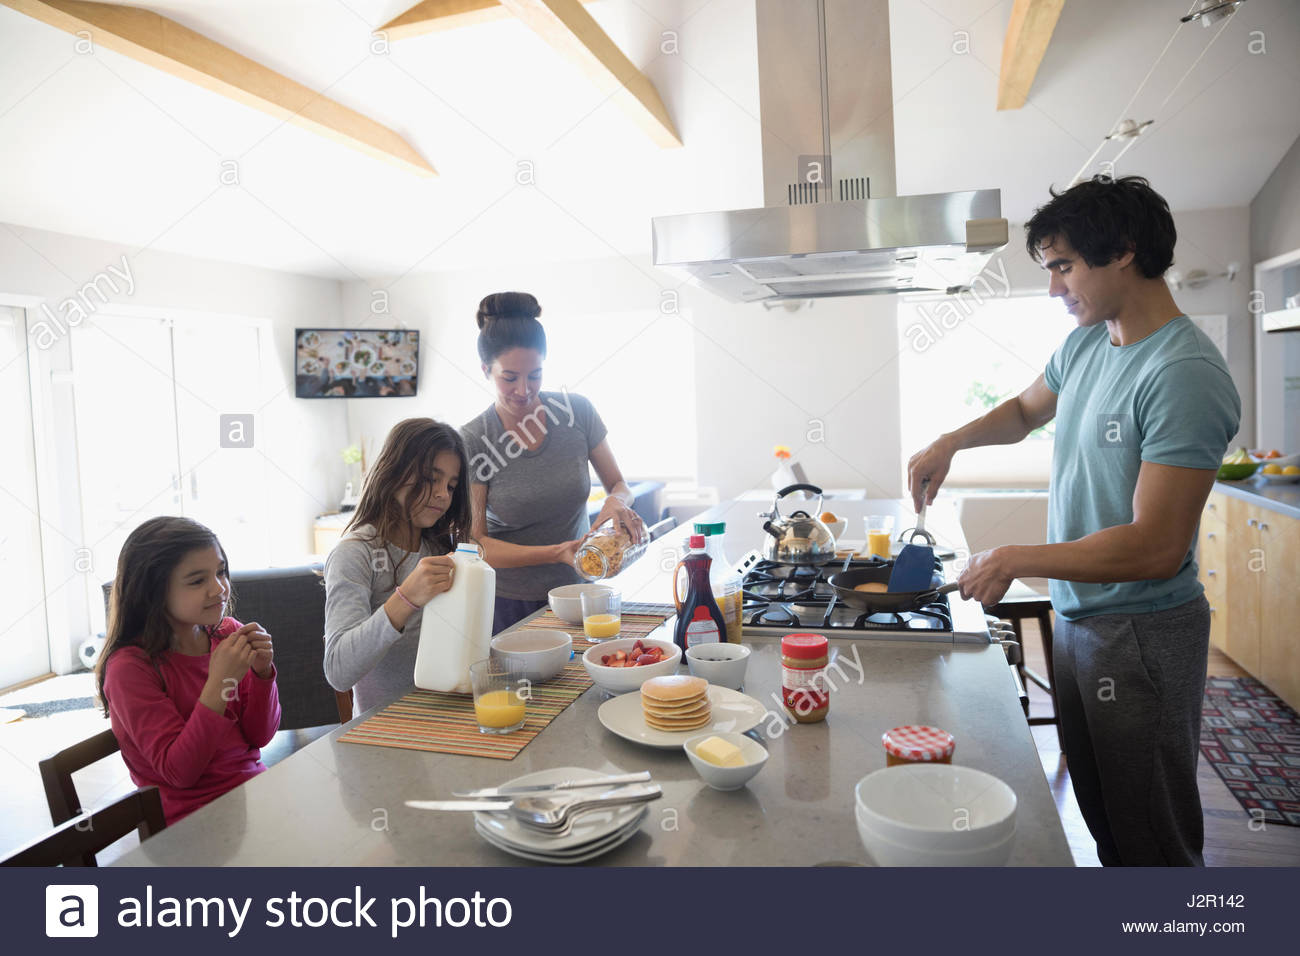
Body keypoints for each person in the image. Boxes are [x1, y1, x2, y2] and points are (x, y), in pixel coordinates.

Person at [907, 175, 1240, 866]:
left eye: (1063, 266)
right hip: (1082, 620)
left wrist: (1013, 558)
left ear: (1122, 250)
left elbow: (1154, 547)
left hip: (1142, 632)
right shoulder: (1091, 342)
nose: (1054, 288)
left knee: (1153, 838)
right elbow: (1027, 410)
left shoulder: (1184, 373)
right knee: (1107, 819)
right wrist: (950, 441)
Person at [459, 291, 647, 634]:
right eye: (510, 377)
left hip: (581, 590)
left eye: (535, 375)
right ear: (486, 370)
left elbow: (620, 485)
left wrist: (614, 502)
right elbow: (477, 545)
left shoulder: (576, 412)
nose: (524, 390)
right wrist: (556, 552)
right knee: (523, 688)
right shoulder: (473, 439)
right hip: (509, 602)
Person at [96, 516, 280, 824]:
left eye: (221, 572)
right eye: (197, 580)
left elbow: (259, 737)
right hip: (189, 823)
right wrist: (220, 682)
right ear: (152, 590)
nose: (219, 588)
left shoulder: (225, 634)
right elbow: (180, 772)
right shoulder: (129, 669)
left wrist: (263, 675)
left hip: (252, 798)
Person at [323, 418, 473, 714]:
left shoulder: (439, 549)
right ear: (394, 472)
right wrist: (405, 600)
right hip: (387, 730)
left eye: (451, 486)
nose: (443, 494)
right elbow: (338, 671)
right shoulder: (355, 553)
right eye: (432, 479)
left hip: (449, 714)